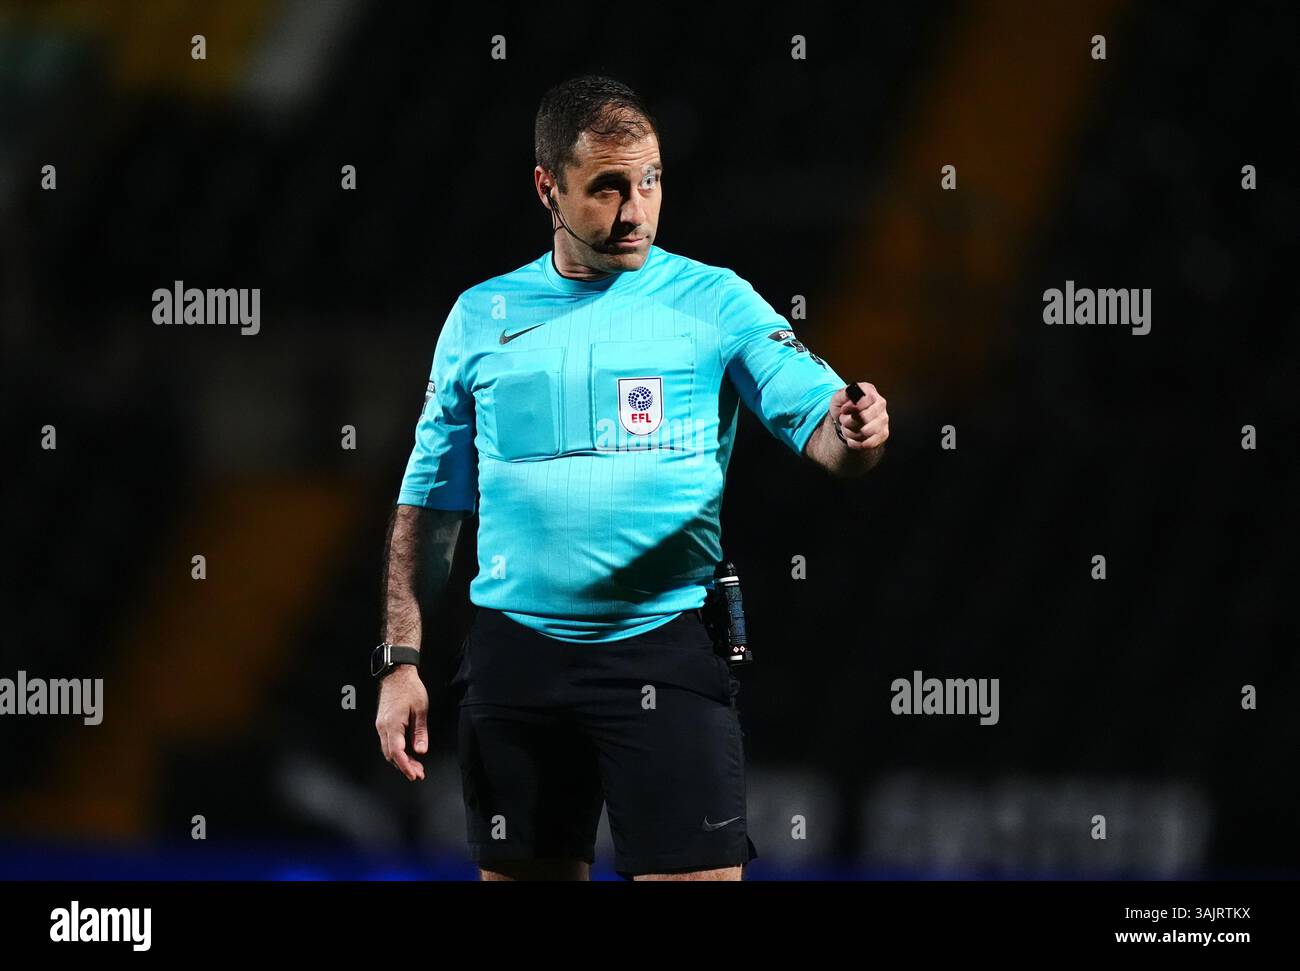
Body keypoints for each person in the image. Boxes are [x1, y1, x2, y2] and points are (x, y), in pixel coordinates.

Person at [373, 75, 889, 881]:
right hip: (517, 661)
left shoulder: (714, 301)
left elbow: (822, 426)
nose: (635, 210)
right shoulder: (481, 316)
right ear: (548, 187)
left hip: (664, 648)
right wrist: (400, 660)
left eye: (649, 181)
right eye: (607, 188)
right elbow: (430, 506)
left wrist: (855, 432)